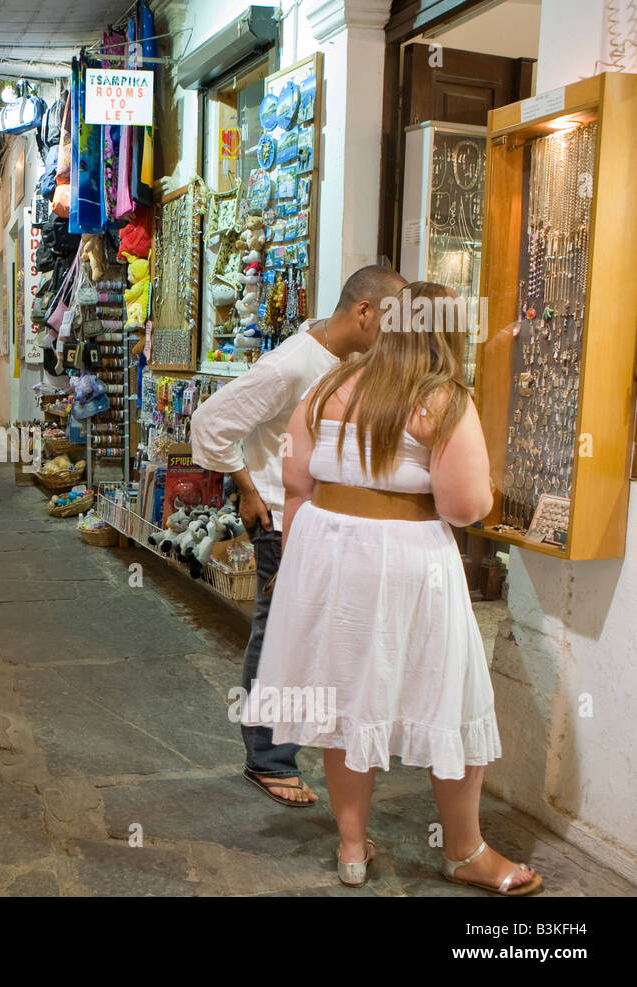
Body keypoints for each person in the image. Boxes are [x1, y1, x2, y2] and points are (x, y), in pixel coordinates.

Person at [246, 281, 539, 895]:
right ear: (446, 334)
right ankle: (463, 850)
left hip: (325, 552)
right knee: (449, 696)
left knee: (342, 699)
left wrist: (300, 568)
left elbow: (296, 483)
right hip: (407, 558)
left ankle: (352, 847)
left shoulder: (327, 388)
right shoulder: (443, 400)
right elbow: (463, 506)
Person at [192, 264, 406, 807]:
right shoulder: (291, 364)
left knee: (310, 635)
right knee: (277, 633)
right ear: (364, 312)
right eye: (392, 318)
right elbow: (209, 423)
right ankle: (267, 759)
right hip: (280, 523)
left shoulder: (345, 358)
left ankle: (292, 746)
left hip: (319, 520)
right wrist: (246, 487)